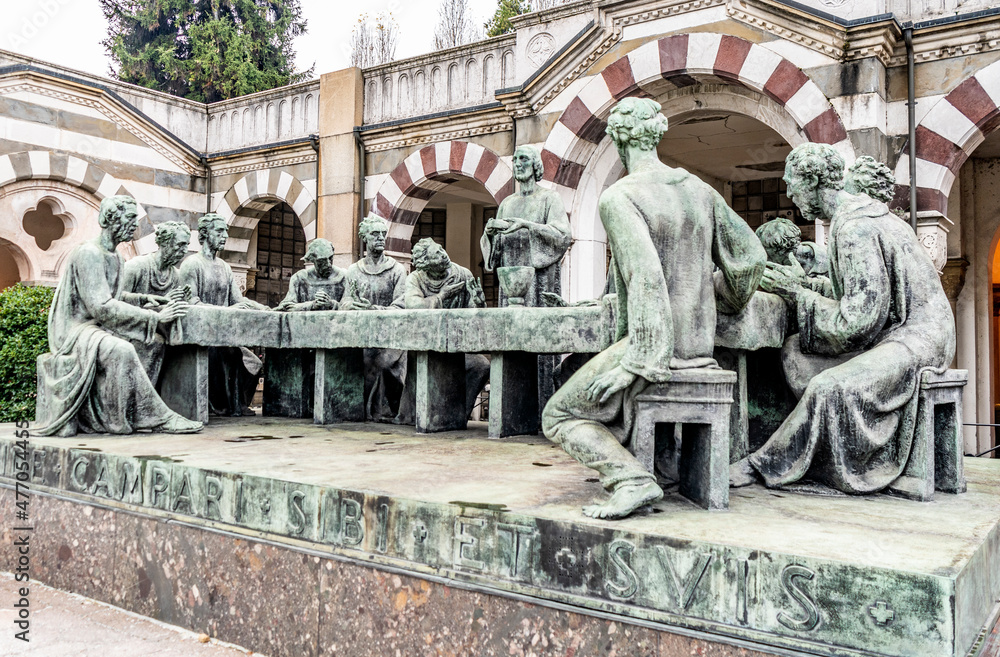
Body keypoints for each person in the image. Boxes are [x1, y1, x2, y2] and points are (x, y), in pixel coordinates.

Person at [542, 98, 765, 519]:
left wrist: (638, 361)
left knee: (559, 413)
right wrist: (720, 301)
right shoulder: (700, 190)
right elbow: (751, 258)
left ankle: (631, 479)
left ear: (618, 139)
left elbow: (646, 280)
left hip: (658, 346)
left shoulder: (620, 197)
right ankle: (661, 465)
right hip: (700, 345)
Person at [730, 143, 955, 494]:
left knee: (828, 386)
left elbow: (859, 322)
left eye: (792, 184)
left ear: (815, 181)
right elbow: (862, 291)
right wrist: (807, 283)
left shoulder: (855, 227)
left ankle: (768, 464)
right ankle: (809, 438)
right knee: (793, 352)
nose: (790, 194)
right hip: (904, 331)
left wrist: (796, 294)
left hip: (918, 338)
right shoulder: (857, 215)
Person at [35, 196, 201, 436]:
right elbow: (101, 307)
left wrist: (143, 300)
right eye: (131, 218)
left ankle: (136, 413)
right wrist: (154, 318)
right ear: (112, 218)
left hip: (96, 327)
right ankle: (136, 420)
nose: (135, 225)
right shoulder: (89, 253)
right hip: (75, 331)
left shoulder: (116, 257)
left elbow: (113, 295)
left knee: (151, 342)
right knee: (121, 350)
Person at [481, 145, 573, 413]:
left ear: (535, 165)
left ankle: (543, 408)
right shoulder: (507, 203)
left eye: (523, 159)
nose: (518, 164)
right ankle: (511, 410)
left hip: (539, 282)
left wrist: (527, 226)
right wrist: (489, 234)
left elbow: (562, 235)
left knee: (540, 344)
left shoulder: (549, 199)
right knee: (510, 341)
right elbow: (494, 251)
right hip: (510, 282)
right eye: (515, 160)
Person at [178, 213, 270, 416]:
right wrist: (227, 311)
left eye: (225, 231)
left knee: (253, 363)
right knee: (229, 356)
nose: (225, 235)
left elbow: (239, 301)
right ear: (204, 233)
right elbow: (192, 303)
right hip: (202, 336)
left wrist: (262, 308)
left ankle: (237, 403)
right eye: (219, 231)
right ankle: (222, 406)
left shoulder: (225, 267)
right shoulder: (192, 265)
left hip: (223, 336)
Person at [395, 238, 490, 424]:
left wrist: (479, 303)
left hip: (456, 345)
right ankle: (428, 416)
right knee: (428, 365)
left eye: (441, 250)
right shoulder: (416, 279)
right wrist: (442, 296)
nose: (443, 255)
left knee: (481, 366)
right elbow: (414, 306)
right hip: (425, 344)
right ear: (426, 265)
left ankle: (459, 414)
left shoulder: (462, 274)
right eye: (436, 255)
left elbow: (474, 316)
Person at [346, 214, 407, 421]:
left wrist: (373, 309)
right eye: (375, 234)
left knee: (380, 362)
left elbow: (400, 306)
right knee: (356, 359)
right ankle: (359, 410)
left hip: (391, 339)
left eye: (383, 234)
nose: (381, 238)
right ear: (365, 237)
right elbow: (345, 301)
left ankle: (387, 410)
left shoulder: (397, 270)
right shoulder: (354, 271)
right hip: (361, 338)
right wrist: (353, 305)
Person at [122, 220, 193, 385]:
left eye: (187, 245)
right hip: (129, 329)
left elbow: (171, 308)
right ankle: (143, 397)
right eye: (180, 245)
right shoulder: (136, 267)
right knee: (155, 341)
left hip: (160, 329)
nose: (185, 251)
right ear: (165, 243)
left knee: (188, 349)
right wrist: (156, 305)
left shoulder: (176, 275)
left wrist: (180, 299)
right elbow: (117, 301)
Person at [276, 238, 366, 312]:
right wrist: (312, 305)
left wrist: (331, 304)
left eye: (330, 258)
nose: (328, 264)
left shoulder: (344, 277)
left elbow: (351, 307)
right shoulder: (299, 278)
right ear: (312, 260)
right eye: (322, 261)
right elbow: (285, 307)